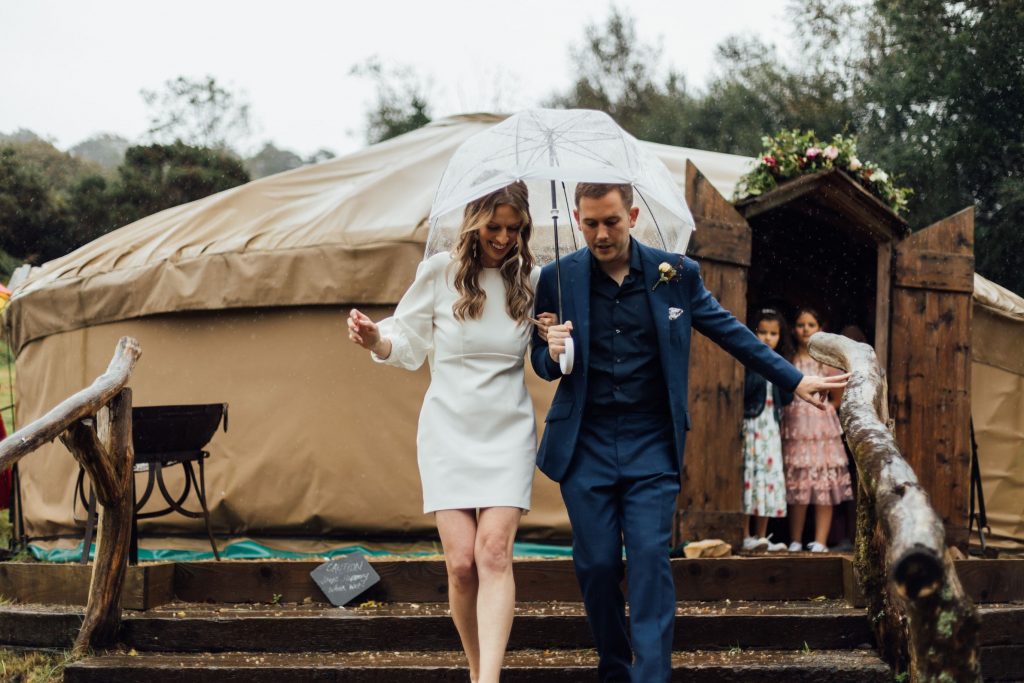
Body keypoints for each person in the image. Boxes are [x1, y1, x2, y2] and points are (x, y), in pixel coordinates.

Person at [532, 182, 849, 683]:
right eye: (590, 223)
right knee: (595, 567)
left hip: (652, 444)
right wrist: (550, 350)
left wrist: (794, 377)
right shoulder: (556, 278)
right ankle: (614, 668)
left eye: (611, 221)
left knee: (650, 560)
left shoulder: (674, 274)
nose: (600, 234)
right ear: (577, 218)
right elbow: (542, 363)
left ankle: (651, 677)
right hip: (584, 445)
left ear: (632, 215)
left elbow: (731, 332)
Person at [347, 181, 552, 683]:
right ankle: (475, 668)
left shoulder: (535, 279)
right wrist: (377, 339)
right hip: (447, 430)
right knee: (461, 563)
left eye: (514, 228)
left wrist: (556, 338)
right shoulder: (439, 274)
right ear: (473, 222)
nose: (504, 237)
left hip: (508, 431)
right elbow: (409, 344)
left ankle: (490, 680)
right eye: (494, 226)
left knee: (493, 553)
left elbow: (554, 359)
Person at [782, 307, 855, 553]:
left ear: (820, 329)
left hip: (822, 430)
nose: (805, 330)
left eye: (811, 325)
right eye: (801, 325)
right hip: (795, 429)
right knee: (798, 483)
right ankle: (795, 539)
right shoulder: (789, 358)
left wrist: (823, 413)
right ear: (793, 329)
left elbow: (839, 396)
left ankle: (820, 541)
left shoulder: (826, 362)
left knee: (823, 482)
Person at [742, 308, 794, 553]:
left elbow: (787, 397)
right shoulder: (748, 360)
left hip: (771, 427)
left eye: (773, 333)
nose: (767, 338)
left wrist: (778, 368)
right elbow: (747, 391)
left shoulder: (780, 361)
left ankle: (762, 536)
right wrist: (760, 365)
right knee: (750, 477)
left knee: (768, 479)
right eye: (762, 332)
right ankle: (745, 534)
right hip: (752, 424)